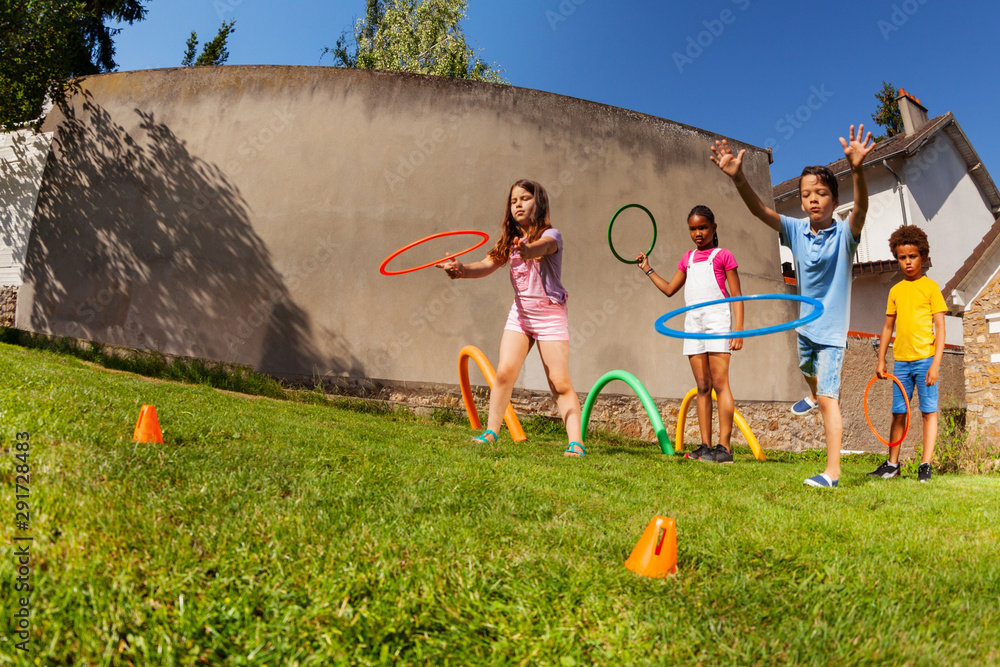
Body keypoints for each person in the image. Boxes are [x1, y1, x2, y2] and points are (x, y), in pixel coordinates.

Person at [711, 124, 875, 488]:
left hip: (831, 332)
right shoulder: (795, 230)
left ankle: (832, 473)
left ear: (834, 200)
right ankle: (813, 393)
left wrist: (858, 170)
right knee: (806, 370)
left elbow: (862, 209)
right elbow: (760, 212)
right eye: (806, 195)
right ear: (801, 202)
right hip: (805, 326)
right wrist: (738, 178)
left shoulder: (845, 234)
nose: (813, 199)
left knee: (830, 398)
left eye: (821, 193)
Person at [437, 179, 585, 457]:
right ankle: (491, 432)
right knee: (504, 373)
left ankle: (576, 443)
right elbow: (486, 264)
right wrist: (462, 270)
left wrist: (528, 250)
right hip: (521, 314)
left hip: (549, 315)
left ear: (539, 203)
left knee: (559, 382)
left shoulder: (552, 235)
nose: (518, 204)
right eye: (514, 200)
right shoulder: (508, 241)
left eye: (525, 198)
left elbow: (543, 247)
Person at [636, 205, 743, 463]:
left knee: (720, 384)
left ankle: (724, 449)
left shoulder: (723, 255)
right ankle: (706, 447)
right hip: (693, 323)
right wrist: (647, 269)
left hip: (717, 321)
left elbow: (737, 295)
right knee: (703, 387)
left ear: (714, 228)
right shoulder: (688, 258)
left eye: (703, 227)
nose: (698, 233)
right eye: (693, 229)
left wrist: (738, 330)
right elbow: (670, 289)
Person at [868, 225, 945, 483]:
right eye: (902, 257)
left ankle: (925, 465)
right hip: (901, 362)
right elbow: (887, 327)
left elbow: (941, 328)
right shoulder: (895, 291)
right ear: (897, 258)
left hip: (925, 360)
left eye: (912, 256)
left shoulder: (931, 287)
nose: (908, 262)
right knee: (898, 412)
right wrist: (881, 359)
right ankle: (892, 465)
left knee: (928, 412)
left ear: (923, 256)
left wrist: (935, 364)